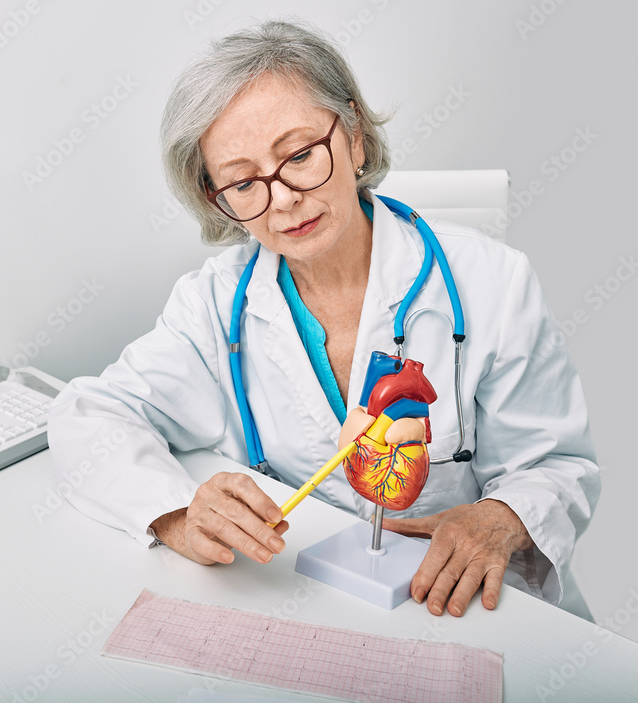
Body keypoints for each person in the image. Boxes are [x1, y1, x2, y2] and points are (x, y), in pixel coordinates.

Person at [47, 20, 600, 619]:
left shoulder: (492, 281)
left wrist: (504, 516)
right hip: (306, 607)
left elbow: (558, 466)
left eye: (300, 154)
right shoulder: (212, 306)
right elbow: (89, 415)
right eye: (241, 181)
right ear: (217, 198)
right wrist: (177, 511)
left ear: (356, 136)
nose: (281, 197)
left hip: (466, 608)